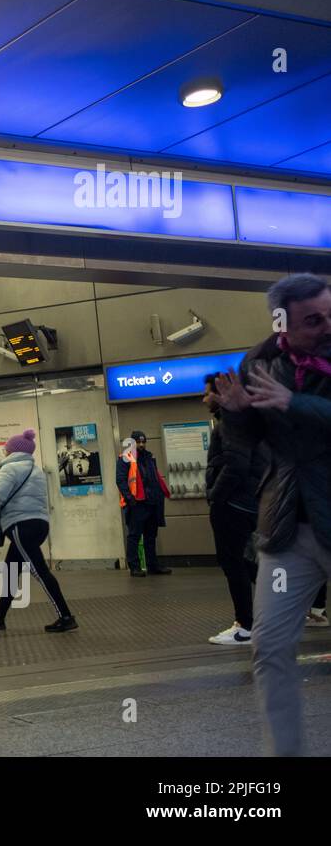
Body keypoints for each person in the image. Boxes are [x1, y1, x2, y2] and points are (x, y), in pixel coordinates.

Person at [214, 273, 331, 755]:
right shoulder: (260, 361)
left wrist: (295, 403)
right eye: (313, 320)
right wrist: (237, 413)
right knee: (270, 648)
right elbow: (248, 443)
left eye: (329, 314)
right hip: (288, 524)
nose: (327, 326)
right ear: (282, 322)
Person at [0, 429, 76, 633]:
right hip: (39, 524)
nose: (4, 452)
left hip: (22, 525)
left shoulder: (10, 469)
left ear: (12, 451)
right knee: (11, 568)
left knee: (40, 571)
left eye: (6, 449)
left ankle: (66, 616)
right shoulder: (35, 470)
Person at [203, 374, 268, 645]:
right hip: (246, 501)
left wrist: (217, 497)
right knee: (245, 562)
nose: (204, 398)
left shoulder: (231, 423)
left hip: (233, 504)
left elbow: (236, 466)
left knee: (233, 562)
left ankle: (245, 625)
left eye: (207, 393)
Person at [115, 430, 172, 576]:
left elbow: (154, 478)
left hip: (152, 502)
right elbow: (121, 480)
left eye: (143, 442)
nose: (141, 444)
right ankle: (134, 567)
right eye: (138, 442)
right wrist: (130, 499)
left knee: (151, 536)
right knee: (134, 535)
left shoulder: (149, 457)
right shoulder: (125, 458)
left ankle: (153, 566)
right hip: (137, 503)